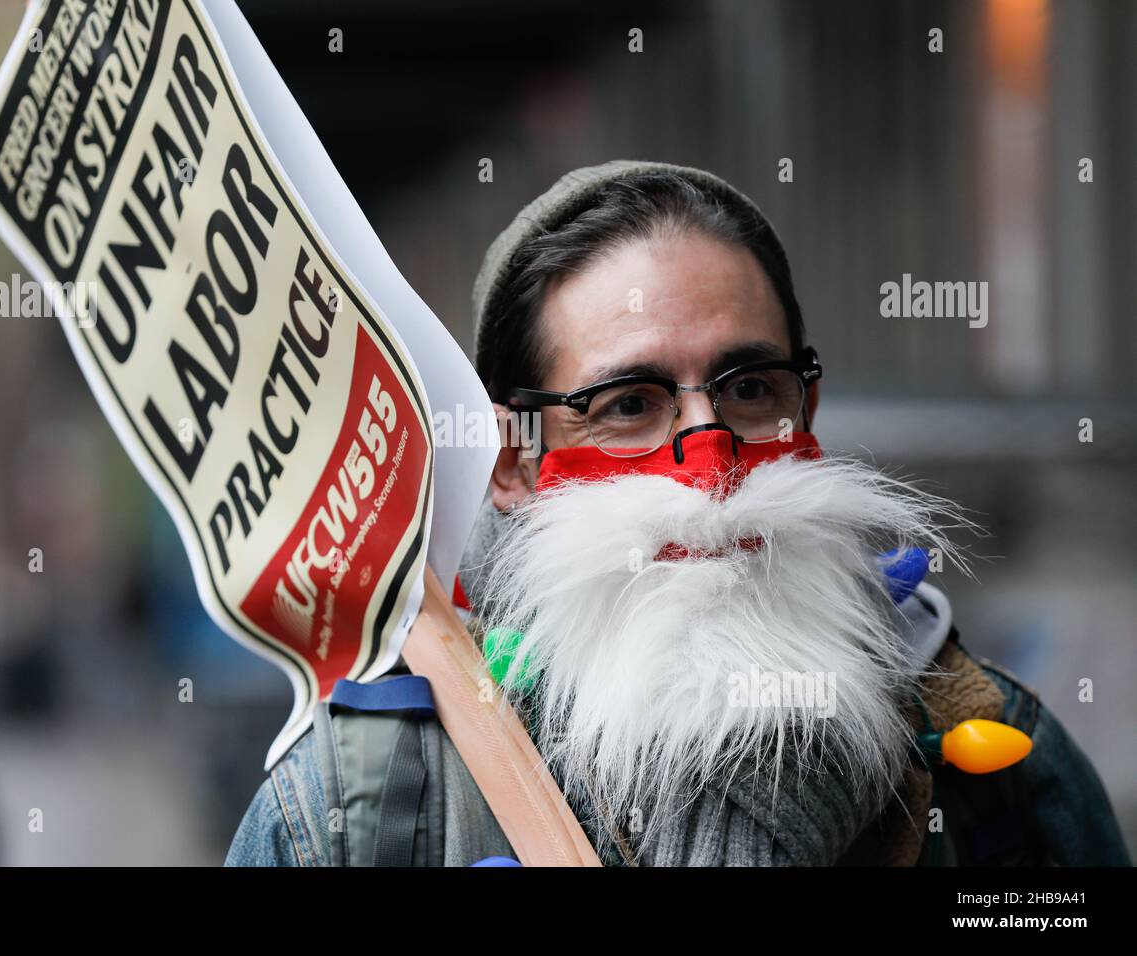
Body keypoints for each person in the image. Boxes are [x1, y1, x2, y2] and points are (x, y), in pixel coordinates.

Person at [225, 160, 1131, 867]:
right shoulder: (355, 816)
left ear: (805, 412)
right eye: (629, 404)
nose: (710, 463)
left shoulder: (1001, 778)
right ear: (512, 460)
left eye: (747, 389)